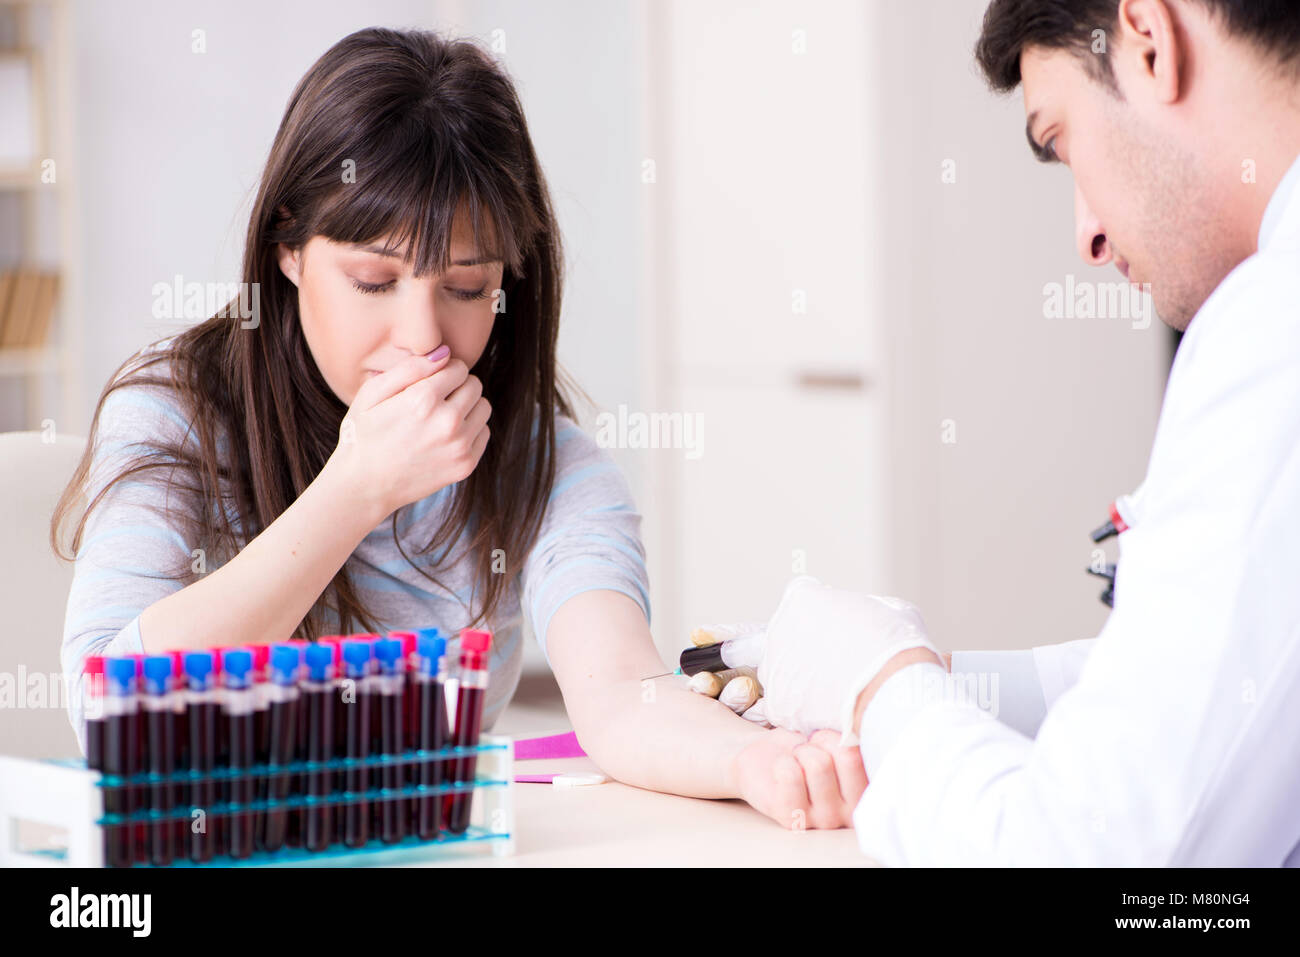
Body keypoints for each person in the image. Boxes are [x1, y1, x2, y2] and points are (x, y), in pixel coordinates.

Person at [54, 27, 865, 831]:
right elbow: (109, 707)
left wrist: (753, 760)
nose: (422, 337)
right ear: (288, 250)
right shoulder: (175, 413)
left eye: (467, 289)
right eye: (374, 279)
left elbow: (621, 695)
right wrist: (357, 489)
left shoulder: (545, 466)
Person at [754, 0, 1300, 864]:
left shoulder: (1275, 327)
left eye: (1062, 141)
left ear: (1150, 40)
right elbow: (1234, 685)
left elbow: (1091, 856)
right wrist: (939, 676)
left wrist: (884, 688)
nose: (1086, 232)